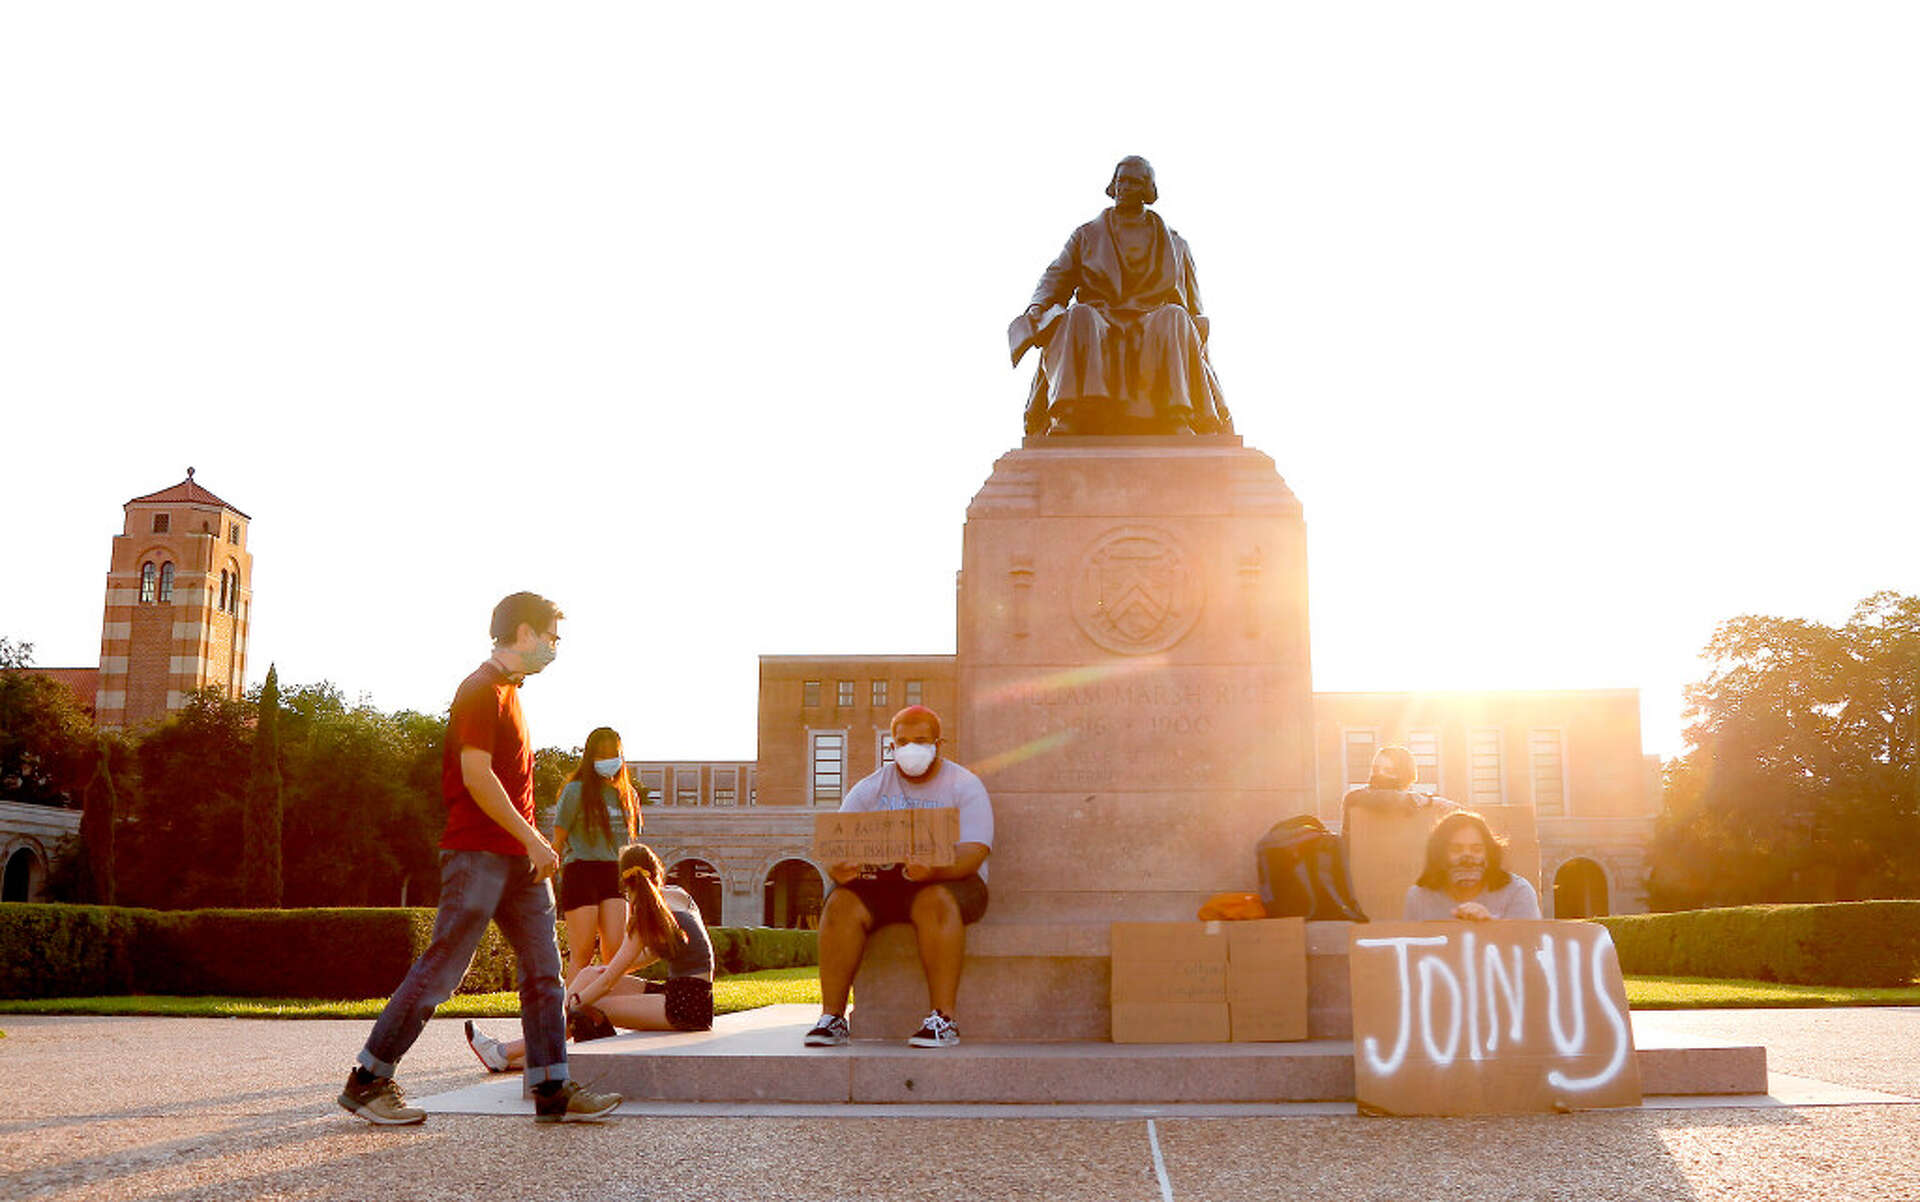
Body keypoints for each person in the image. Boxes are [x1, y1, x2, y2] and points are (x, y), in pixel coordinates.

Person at [336, 591, 620, 1125]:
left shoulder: (511, 694)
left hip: (519, 860)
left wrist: (530, 845)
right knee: (443, 968)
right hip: (477, 853)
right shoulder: (480, 690)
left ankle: (552, 1087)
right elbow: (477, 777)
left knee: (544, 973)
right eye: (552, 637)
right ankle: (369, 1080)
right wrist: (536, 840)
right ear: (526, 634)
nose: (556, 648)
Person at [804, 705, 993, 1050]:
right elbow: (836, 848)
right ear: (891, 747)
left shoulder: (965, 785)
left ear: (939, 743)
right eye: (902, 741)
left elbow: (975, 851)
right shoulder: (868, 789)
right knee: (840, 903)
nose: (911, 748)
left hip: (951, 881)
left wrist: (936, 870)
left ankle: (943, 1020)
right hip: (884, 884)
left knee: (933, 900)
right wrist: (839, 869)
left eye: (921, 740)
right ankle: (831, 1017)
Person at [1012, 155, 1232, 436]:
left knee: (1176, 317)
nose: (1125, 187)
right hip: (1100, 316)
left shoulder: (1176, 244)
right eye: (1121, 180)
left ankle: (1177, 416)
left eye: (1134, 181)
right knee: (1078, 315)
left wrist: (1200, 339)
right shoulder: (1086, 236)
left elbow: (1194, 308)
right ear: (1113, 186)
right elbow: (1055, 276)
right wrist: (1036, 308)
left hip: (1154, 317)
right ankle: (1070, 416)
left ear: (1147, 189)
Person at [466, 843, 714, 1070]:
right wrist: (601, 974)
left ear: (624, 882)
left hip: (687, 1009)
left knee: (586, 1007)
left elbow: (609, 982)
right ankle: (528, 1054)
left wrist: (576, 1000)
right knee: (589, 974)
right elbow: (672, 953)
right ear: (658, 870)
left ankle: (503, 1052)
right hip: (688, 996)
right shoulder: (679, 896)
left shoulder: (644, 917)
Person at [553, 727, 641, 980]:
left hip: (614, 873)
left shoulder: (628, 796)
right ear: (590, 757)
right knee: (582, 953)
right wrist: (546, 878)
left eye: (613, 753)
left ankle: (604, 1010)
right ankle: (570, 1015)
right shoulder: (574, 792)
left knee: (615, 954)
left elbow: (629, 845)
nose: (608, 759)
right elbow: (558, 840)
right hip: (581, 870)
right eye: (601, 754)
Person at [1403, 809, 1543, 921]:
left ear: (1489, 853)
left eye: (1476, 849)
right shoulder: (1419, 897)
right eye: (1456, 849)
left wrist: (1489, 925)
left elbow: (1528, 947)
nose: (1467, 859)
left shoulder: (1517, 892)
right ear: (1440, 854)